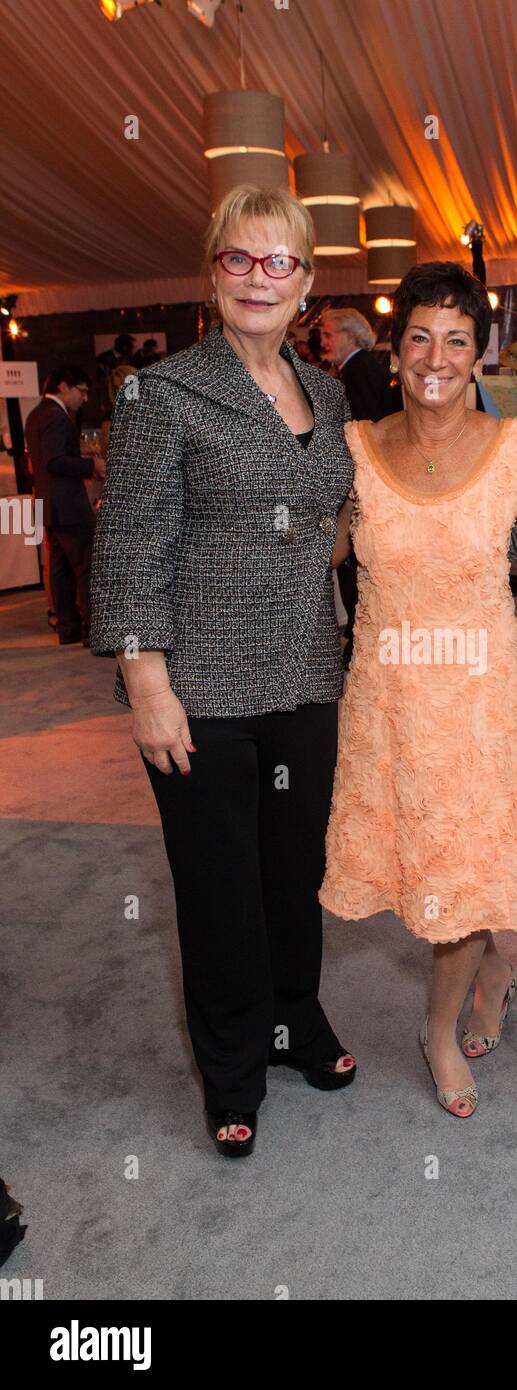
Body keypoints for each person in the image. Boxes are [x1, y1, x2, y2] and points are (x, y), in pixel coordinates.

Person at [89, 184, 357, 1160]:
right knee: (217, 892)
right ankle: (233, 1064)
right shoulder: (161, 394)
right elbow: (127, 551)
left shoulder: (325, 395)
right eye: (238, 259)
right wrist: (149, 688)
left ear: (305, 284)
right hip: (201, 691)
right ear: (212, 274)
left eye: (277, 261)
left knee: (294, 878)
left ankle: (296, 1020)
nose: (258, 277)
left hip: (304, 681)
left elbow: (329, 530)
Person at [319, 262, 517, 1118]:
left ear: (479, 355)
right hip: (388, 702)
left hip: (480, 702)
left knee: (461, 869)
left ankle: (436, 1026)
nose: (436, 355)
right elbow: (316, 558)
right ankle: (493, 970)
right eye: (419, 336)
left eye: (456, 339)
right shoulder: (354, 450)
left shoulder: (516, 451)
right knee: (425, 870)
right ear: (394, 353)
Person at [321, 309, 401, 670]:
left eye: (328, 333)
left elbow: (364, 430)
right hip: (366, 481)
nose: (322, 340)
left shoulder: (358, 371)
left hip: (363, 484)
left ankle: (360, 641)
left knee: (356, 565)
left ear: (349, 337)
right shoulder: (360, 368)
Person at [24, 366, 104, 646]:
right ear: (63, 386)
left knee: (59, 569)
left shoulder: (36, 413)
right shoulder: (56, 417)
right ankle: (92, 632)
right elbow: (54, 460)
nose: (84, 399)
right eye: (81, 391)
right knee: (86, 566)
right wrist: (91, 465)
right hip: (67, 505)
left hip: (47, 503)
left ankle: (68, 629)